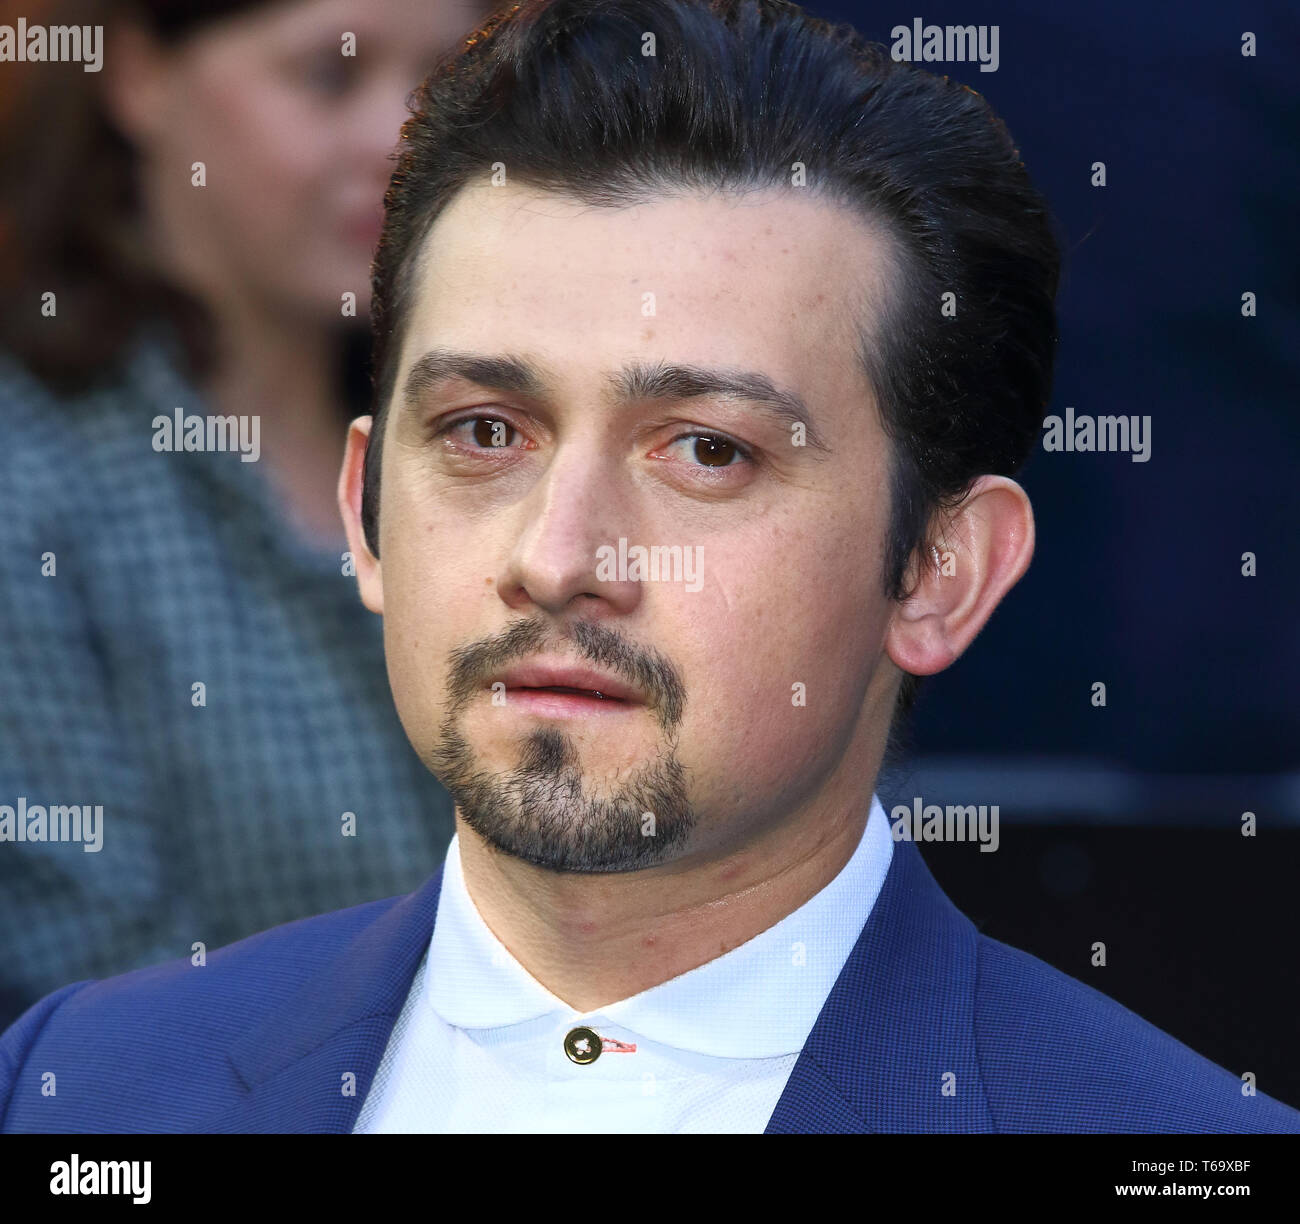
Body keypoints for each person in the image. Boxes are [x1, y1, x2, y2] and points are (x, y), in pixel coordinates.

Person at [3, 0, 1296, 1134]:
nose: (559, 558)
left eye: (705, 452)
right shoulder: (80, 1089)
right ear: (364, 511)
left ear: (941, 571)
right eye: (486, 432)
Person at [0, 0, 494, 1024]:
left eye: (443, 77)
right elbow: (106, 1003)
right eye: (328, 76)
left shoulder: (489, 428)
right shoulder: (34, 472)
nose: (399, 138)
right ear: (139, 75)